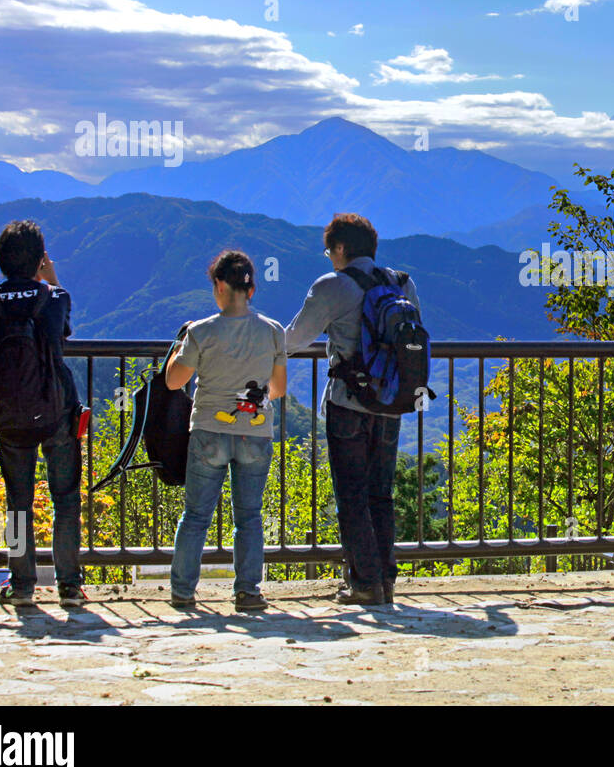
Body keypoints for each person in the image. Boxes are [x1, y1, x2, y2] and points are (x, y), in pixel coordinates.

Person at [285, 214, 422, 606]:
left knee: (351, 495)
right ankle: (386, 581)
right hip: (392, 404)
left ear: (342, 249)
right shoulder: (402, 283)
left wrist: (250, 337)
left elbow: (295, 338)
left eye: (330, 251)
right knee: (381, 494)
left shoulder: (332, 286)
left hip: (347, 402)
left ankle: (364, 583)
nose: (330, 258)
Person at [166, 251, 286, 612]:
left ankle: (184, 591)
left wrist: (179, 347)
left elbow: (174, 381)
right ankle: (248, 591)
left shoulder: (201, 332)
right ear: (250, 289)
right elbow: (277, 388)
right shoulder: (273, 331)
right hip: (256, 432)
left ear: (220, 285)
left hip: (208, 431)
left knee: (196, 515)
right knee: (248, 514)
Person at [0, 220, 85, 608]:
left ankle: (22, 584)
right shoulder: (56, 298)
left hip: (11, 414)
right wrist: (50, 278)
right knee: (65, 498)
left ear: (2, 260)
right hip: (57, 411)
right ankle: (69, 585)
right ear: (41, 259)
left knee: (18, 500)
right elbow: (63, 331)